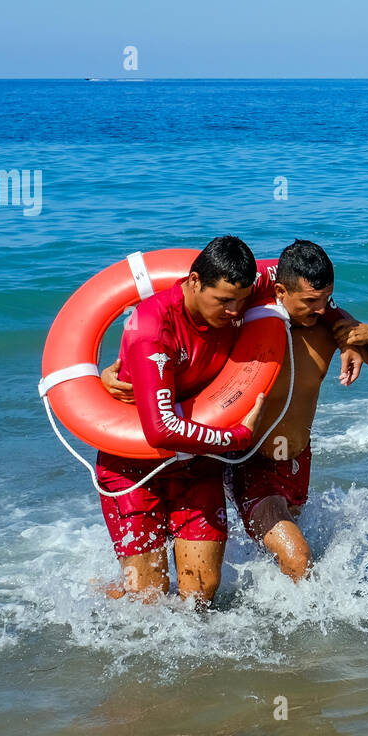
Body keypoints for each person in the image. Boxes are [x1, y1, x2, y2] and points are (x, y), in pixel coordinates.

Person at [104, 240, 368, 582]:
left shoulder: (328, 326)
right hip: (252, 461)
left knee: (270, 563)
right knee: (298, 558)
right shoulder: (242, 324)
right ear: (279, 290)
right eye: (309, 302)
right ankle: (320, 632)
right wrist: (109, 376)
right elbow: (184, 351)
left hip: (296, 459)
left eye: (325, 300)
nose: (321, 308)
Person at [93, 235, 268, 608]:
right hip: (134, 469)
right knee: (149, 601)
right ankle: (103, 591)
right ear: (193, 281)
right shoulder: (153, 330)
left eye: (242, 300)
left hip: (197, 463)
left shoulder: (237, 291)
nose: (236, 311)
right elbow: (161, 429)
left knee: (198, 598)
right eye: (224, 301)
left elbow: (298, 282)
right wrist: (237, 436)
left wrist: (343, 326)